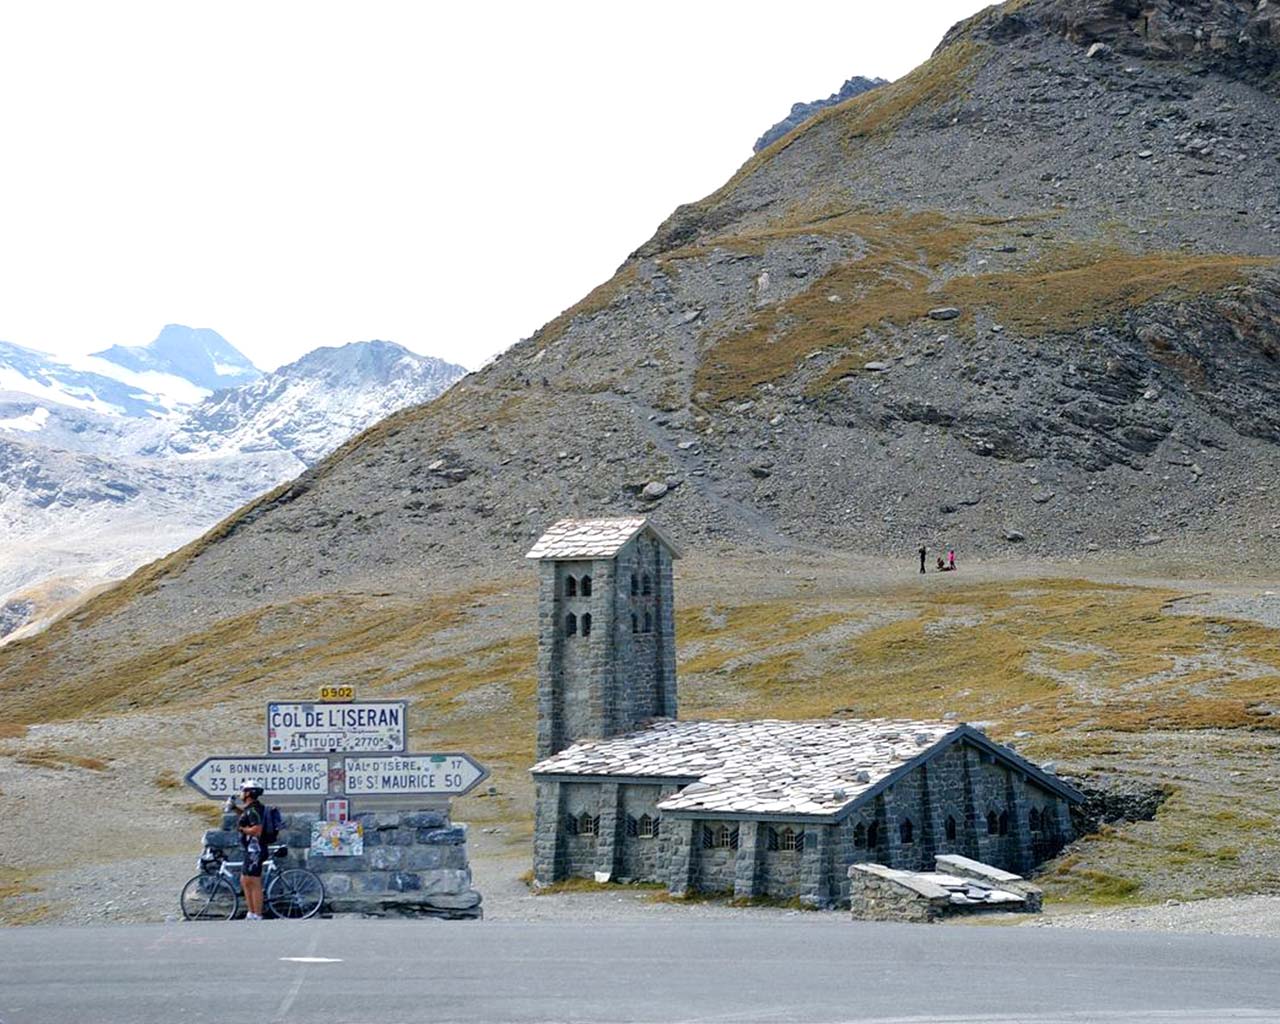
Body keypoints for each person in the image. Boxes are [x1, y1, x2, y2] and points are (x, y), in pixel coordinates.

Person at [234, 780, 266, 920]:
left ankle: (257, 914)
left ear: (248, 793)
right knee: (245, 880)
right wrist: (235, 809)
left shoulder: (253, 809)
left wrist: (242, 829)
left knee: (253, 881)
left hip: (256, 849)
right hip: (251, 849)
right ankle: (251, 912)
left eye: (242, 791)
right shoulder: (251, 808)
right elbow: (246, 816)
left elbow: (257, 830)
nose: (241, 793)